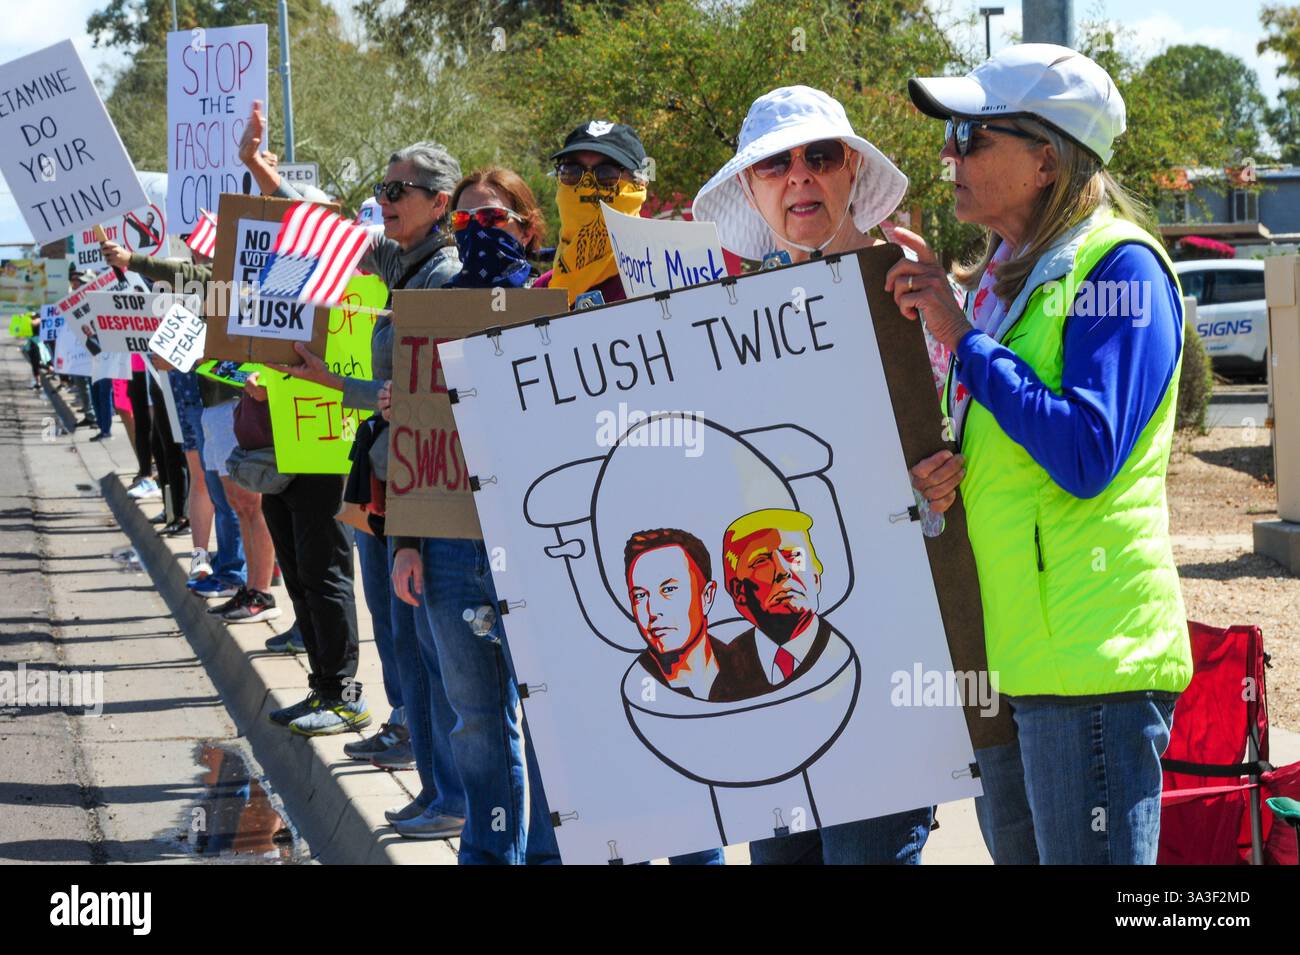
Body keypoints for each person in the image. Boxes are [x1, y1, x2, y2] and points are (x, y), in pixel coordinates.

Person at [891, 43, 1192, 864]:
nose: (948, 153)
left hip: (1092, 668)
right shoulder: (1007, 280)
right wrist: (947, 471)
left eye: (972, 135)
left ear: (1046, 160)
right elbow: (1017, 444)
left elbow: (1086, 450)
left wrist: (962, 338)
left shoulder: (1117, 267)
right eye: (953, 134)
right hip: (1030, 663)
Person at [692, 85, 933, 866]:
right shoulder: (729, 319)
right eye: (774, 164)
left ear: (849, 170)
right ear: (752, 189)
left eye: (819, 156)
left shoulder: (915, 292)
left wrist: (946, 473)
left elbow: (968, 443)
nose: (799, 176)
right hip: (775, 679)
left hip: (890, 658)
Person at [241, 101, 461, 753]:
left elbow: (423, 400)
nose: (384, 200)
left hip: (424, 484)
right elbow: (324, 229)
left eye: (398, 190)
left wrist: (348, 390)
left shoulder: (444, 278)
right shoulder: (402, 263)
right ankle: (407, 733)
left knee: (420, 632)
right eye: (381, 189)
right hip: (384, 472)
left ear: (440, 202)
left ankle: (434, 765)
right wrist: (258, 169)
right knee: (396, 624)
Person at [384, 165, 546, 859]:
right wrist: (409, 541)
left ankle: (547, 852)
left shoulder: (555, 301)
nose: (482, 233)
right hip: (450, 542)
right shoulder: (437, 309)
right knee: (475, 721)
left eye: (497, 220)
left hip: (535, 544)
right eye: (470, 222)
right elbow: (417, 436)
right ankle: (488, 848)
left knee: (549, 720)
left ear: (527, 226)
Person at [713, 509, 832, 703]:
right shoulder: (724, 674)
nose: (783, 571)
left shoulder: (843, 653)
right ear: (738, 591)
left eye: (794, 556)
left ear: (815, 577)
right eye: (762, 561)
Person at [533, 120, 648, 306]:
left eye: (607, 174)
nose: (586, 186)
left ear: (641, 184)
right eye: (571, 172)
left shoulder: (668, 280)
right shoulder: (541, 293)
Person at [625, 528, 721, 700]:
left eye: (668, 589)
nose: (652, 611)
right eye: (639, 596)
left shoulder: (754, 666)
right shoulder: (637, 687)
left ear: (707, 596)